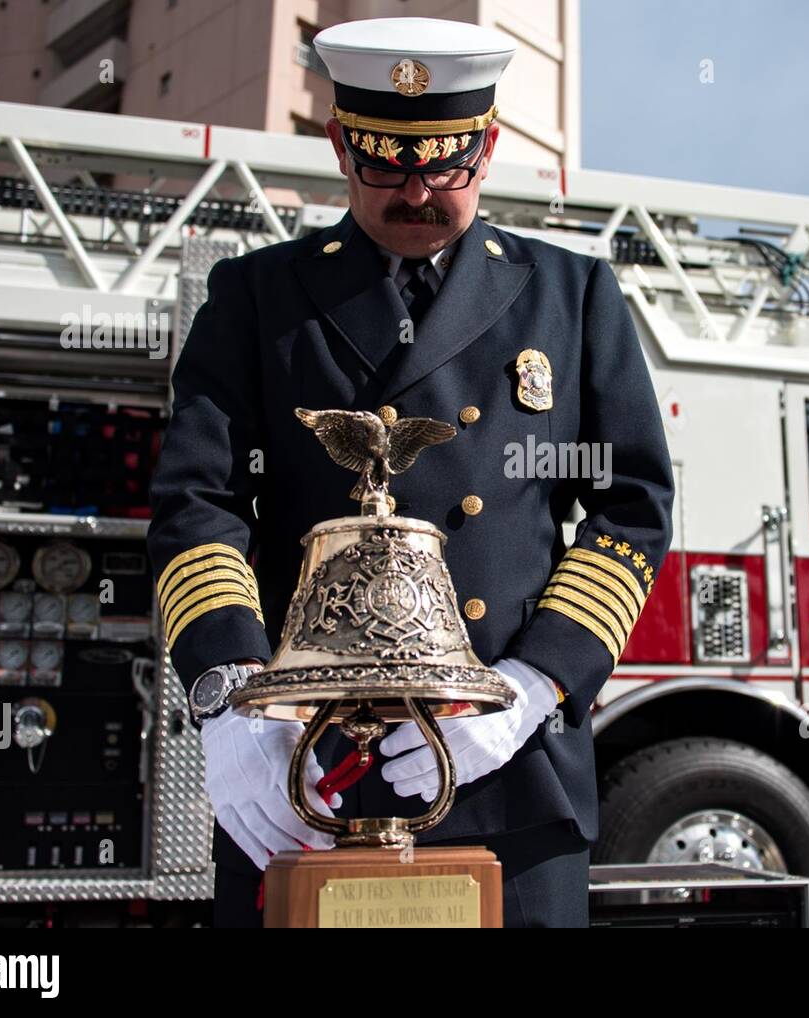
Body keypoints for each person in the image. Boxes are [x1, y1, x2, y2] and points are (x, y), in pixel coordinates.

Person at [146, 16, 674, 928]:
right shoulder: (258, 297)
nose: (419, 192)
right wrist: (230, 700)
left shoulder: (571, 295)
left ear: (490, 146)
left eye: (447, 164)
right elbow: (200, 502)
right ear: (342, 144)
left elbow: (631, 508)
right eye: (387, 165)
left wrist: (526, 692)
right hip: (304, 769)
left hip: (509, 768)